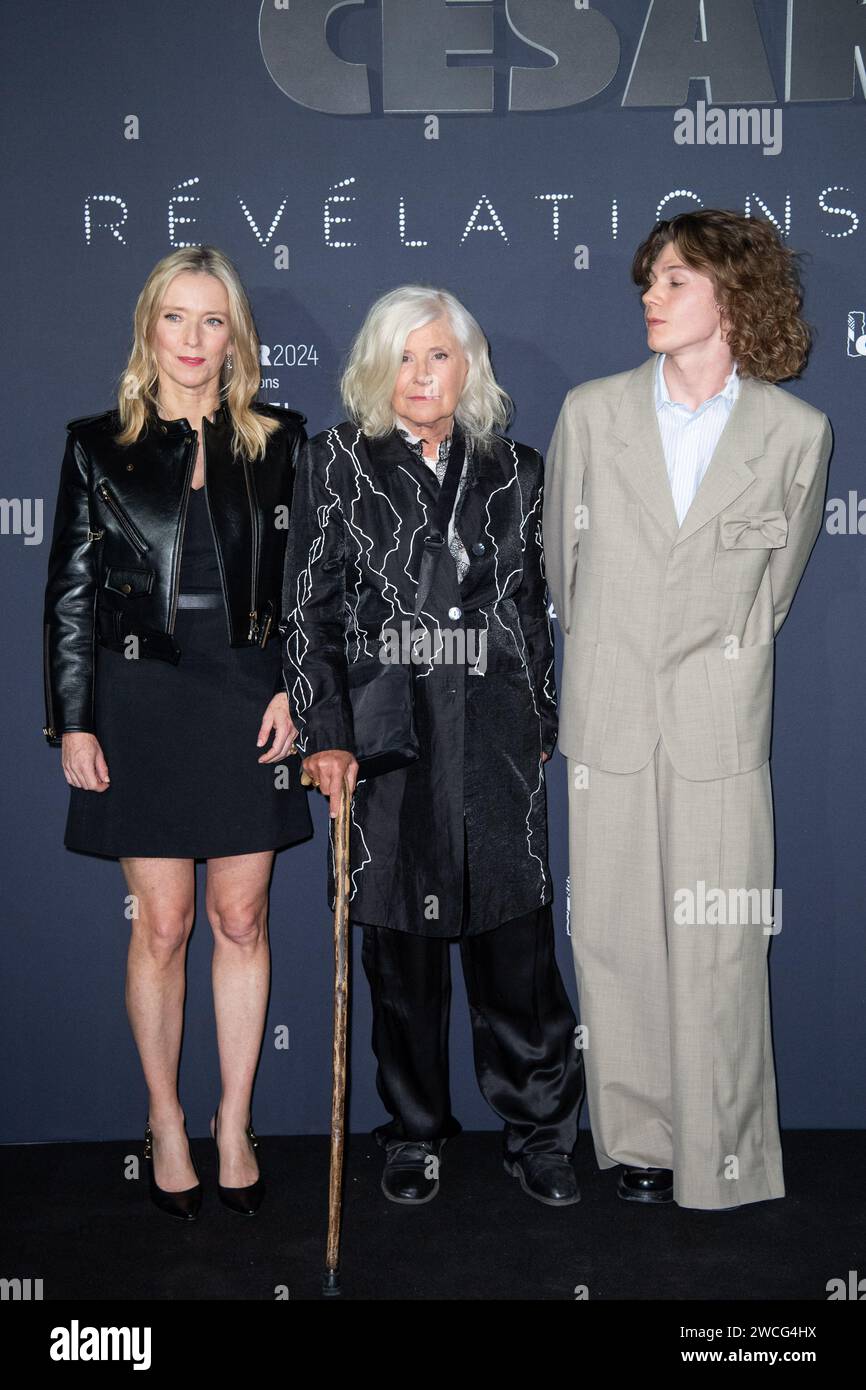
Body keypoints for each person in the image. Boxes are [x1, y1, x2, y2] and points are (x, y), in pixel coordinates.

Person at [544, 210, 832, 1210]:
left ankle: (725, 1154)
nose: (649, 298)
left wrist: (717, 662)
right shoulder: (589, 413)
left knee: (719, 943)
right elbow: (561, 571)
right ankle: (636, 1143)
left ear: (732, 295)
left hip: (716, 720)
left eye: (672, 280)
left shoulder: (793, 434)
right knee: (615, 938)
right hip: (608, 715)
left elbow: (774, 589)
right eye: (646, 281)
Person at [283, 285, 583, 1206]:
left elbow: (533, 608)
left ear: (469, 367)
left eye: (440, 355)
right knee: (402, 958)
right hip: (388, 744)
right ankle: (413, 1134)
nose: (422, 375)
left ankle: (540, 1134)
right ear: (379, 368)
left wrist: (541, 717)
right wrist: (325, 734)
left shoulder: (517, 471)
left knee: (516, 952)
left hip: (494, 742)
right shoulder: (334, 463)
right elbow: (309, 609)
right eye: (404, 357)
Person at [42, 245, 313, 1220]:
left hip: (248, 695)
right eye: (176, 319)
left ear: (234, 335)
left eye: (213, 321)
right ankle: (164, 1119)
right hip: (142, 698)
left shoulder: (281, 439)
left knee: (242, 919)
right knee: (163, 925)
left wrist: (297, 690)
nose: (194, 341)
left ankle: (233, 1120)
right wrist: (71, 717)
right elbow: (68, 594)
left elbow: (305, 589)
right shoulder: (96, 445)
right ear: (148, 327)